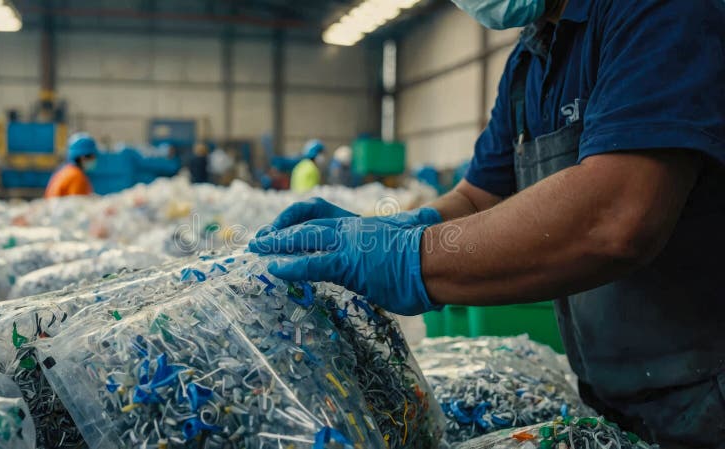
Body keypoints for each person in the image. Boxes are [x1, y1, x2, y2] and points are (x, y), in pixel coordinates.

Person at [250, 0, 725, 447]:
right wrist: (402, 229)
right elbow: (478, 195)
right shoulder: (529, 59)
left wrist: (409, 259)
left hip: (707, 397)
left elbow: (617, 216)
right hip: (612, 390)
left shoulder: (659, 10)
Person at [44, 132, 98, 198]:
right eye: (92, 157)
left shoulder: (65, 171)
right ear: (82, 157)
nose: (94, 160)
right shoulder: (76, 176)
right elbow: (77, 204)